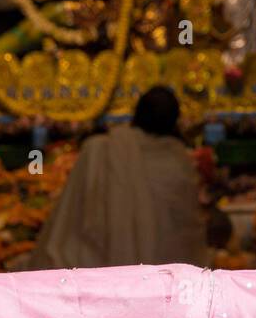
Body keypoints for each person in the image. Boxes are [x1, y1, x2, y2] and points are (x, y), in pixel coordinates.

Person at [28, 85, 207, 269]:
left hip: (93, 273)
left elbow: (68, 220)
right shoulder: (179, 162)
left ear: (136, 114)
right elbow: (189, 238)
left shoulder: (98, 150)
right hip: (163, 279)